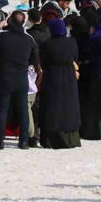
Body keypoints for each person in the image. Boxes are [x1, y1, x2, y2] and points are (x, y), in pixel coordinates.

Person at [0, 11, 37, 150]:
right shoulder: (29, 39)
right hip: (21, 77)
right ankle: (23, 141)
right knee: (23, 109)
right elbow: (34, 60)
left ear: (9, 20)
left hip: (4, 76)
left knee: (3, 108)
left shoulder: (0, 36)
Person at [37, 19, 81, 148]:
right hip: (69, 77)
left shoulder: (47, 44)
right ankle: (70, 138)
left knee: (52, 105)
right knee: (68, 105)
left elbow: (43, 62)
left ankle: (50, 139)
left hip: (52, 77)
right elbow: (75, 57)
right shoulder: (72, 42)